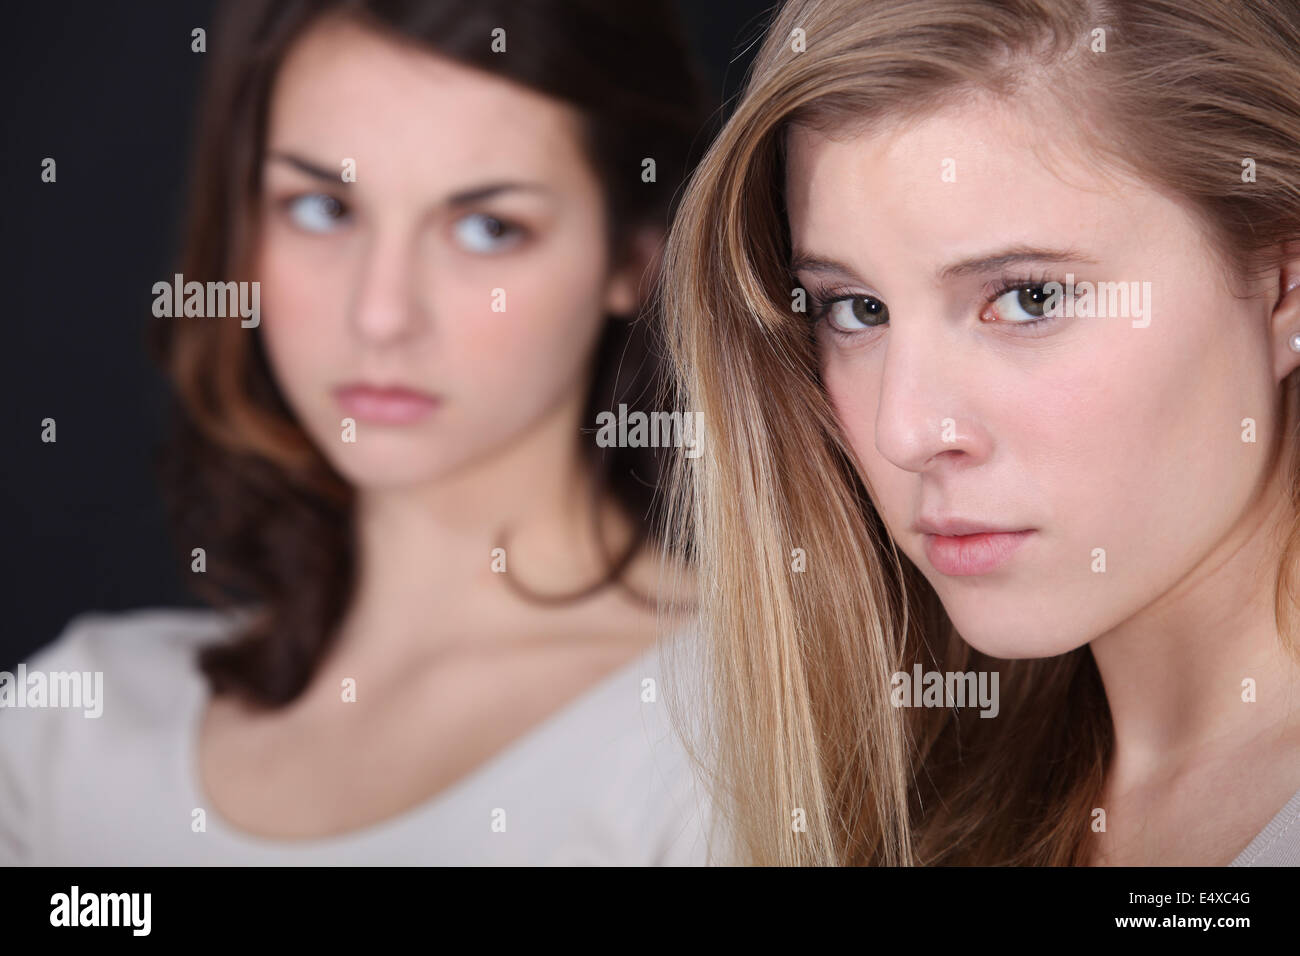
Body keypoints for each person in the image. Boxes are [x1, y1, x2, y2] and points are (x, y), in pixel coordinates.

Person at [0, 0, 716, 865]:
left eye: (487, 227)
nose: (380, 315)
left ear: (633, 260)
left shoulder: (738, 741)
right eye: (322, 209)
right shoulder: (67, 730)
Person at [660, 0, 1300, 865]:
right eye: (858, 310)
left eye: (1028, 297)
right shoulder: (917, 800)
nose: (907, 430)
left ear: (1285, 286)